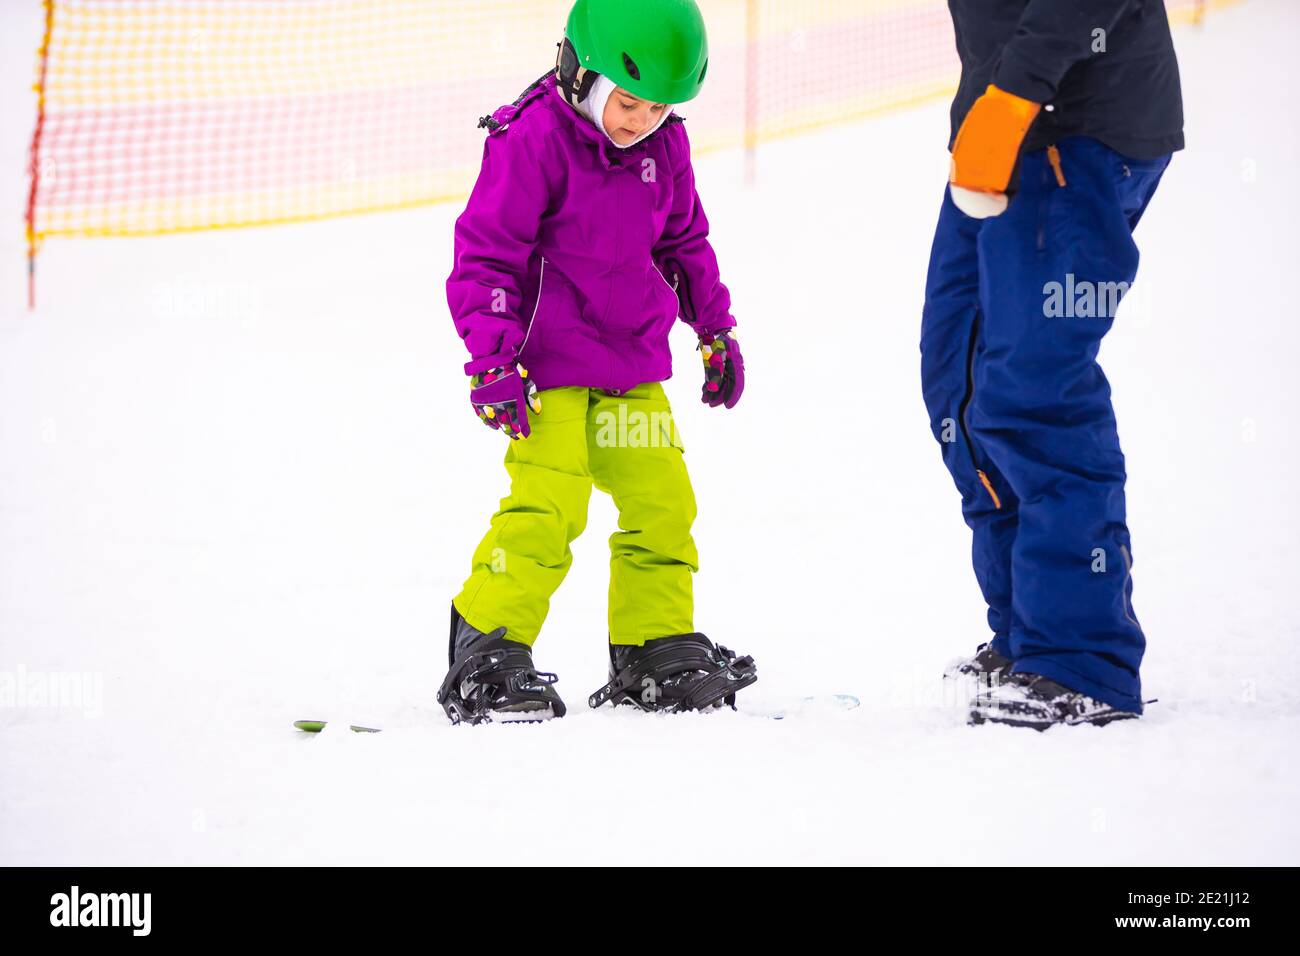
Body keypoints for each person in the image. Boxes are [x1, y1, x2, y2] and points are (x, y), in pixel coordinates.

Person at [437, 0, 756, 724]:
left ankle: (653, 646)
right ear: (581, 73)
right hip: (545, 369)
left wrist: (714, 328)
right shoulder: (532, 139)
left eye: (658, 108)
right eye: (629, 101)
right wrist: (491, 360)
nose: (640, 120)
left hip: (631, 363)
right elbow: (486, 255)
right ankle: (487, 644)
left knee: (661, 504)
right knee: (549, 508)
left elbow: (683, 244)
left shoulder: (662, 147)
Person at [924, 0, 1183, 729]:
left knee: (1033, 389)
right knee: (958, 377)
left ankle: (1079, 659)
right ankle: (1025, 635)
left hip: (1077, 127)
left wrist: (1014, 96)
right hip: (999, 129)